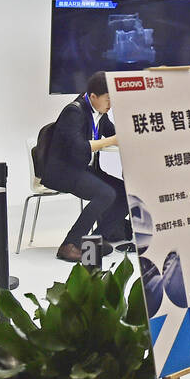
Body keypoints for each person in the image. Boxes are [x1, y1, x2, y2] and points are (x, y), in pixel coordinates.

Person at [42, 71, 130, 263]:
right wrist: (111, 141)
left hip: (82, 169)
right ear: (93, 96)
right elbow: (78, 147)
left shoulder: (100, 113)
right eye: (108, 99)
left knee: (124, 192)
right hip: (64, 171)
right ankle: (68, 245)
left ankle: (93, 242)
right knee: (105, 194)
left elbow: (113, 135)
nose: (111, 104)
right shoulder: (74, 112)